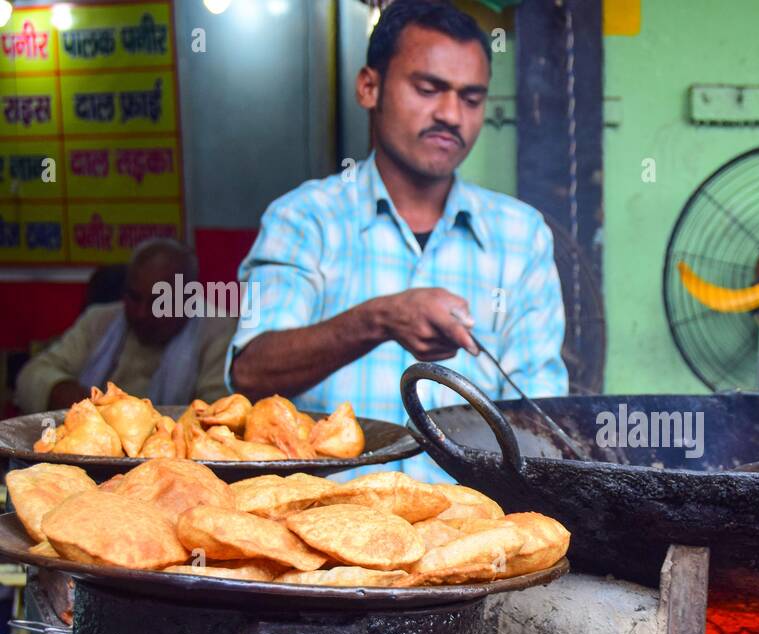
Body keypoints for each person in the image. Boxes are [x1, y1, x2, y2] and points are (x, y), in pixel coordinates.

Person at [227, 0, 567, 481]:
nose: (451, 114)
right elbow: (251, 372)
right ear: (369, 87)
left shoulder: (522, 235)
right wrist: (379, 318)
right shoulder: (305, 218)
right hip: (323, 532)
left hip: (469, 537)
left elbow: (541, 419)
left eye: (471, 99)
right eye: (428, 89)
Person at [15, 239, 233, 413]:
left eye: (159, 303)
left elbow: (215, 414)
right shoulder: (100, 320)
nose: (141, 313)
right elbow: (32, 375)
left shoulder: (219, 332)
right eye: (134, 297)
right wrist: (72, 396)